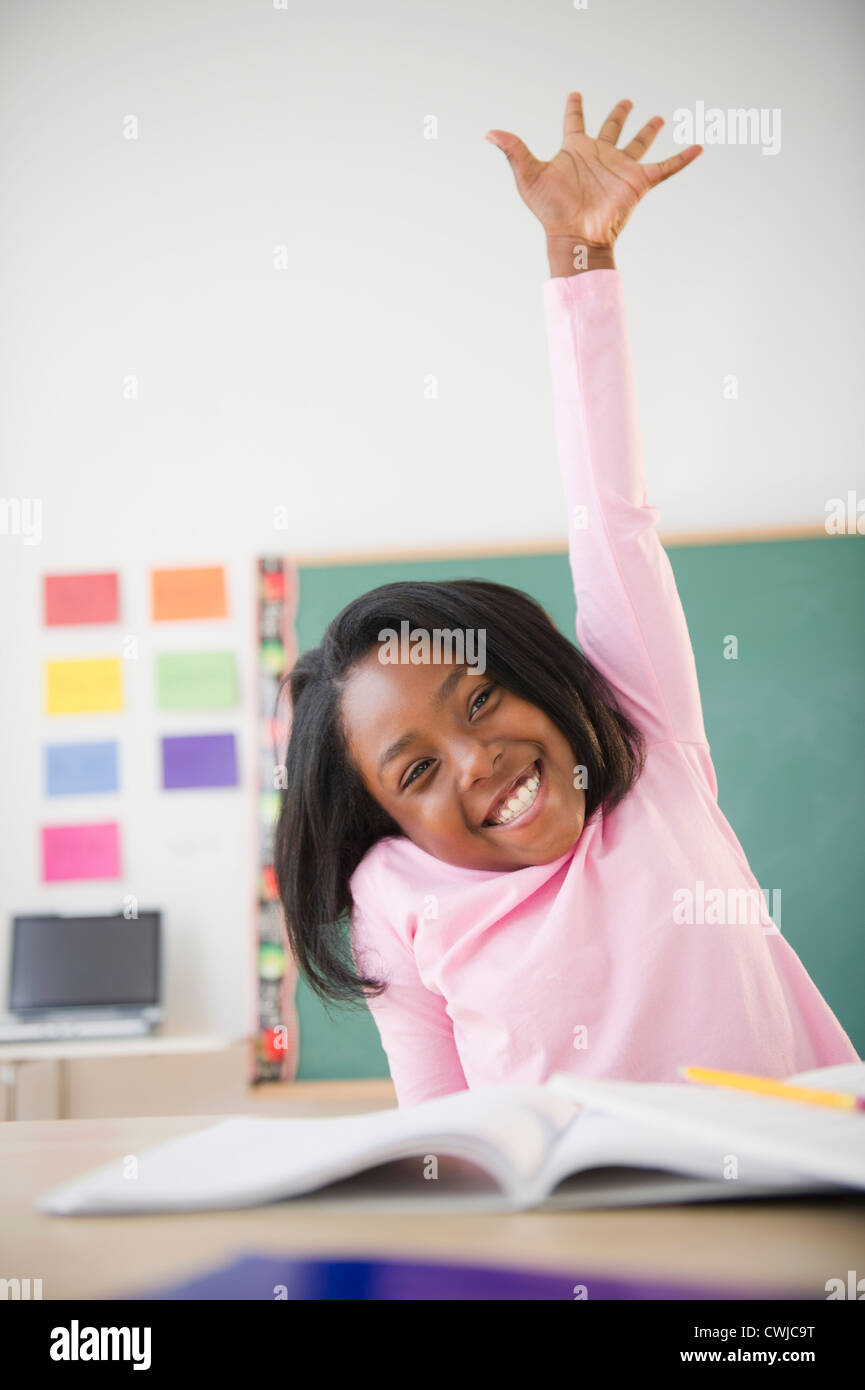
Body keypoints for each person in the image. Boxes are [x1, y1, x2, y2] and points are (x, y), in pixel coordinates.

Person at [274, 91, 859, 1106]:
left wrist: (579, 262)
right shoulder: (394, 897)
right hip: (583, 1253)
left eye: (479, 700)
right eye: (417, 768)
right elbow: (444, 1138)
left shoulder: (647, 737)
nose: (479, 757)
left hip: (806, 1199)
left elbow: (610, 512)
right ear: (389, 821)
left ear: (535, 682)